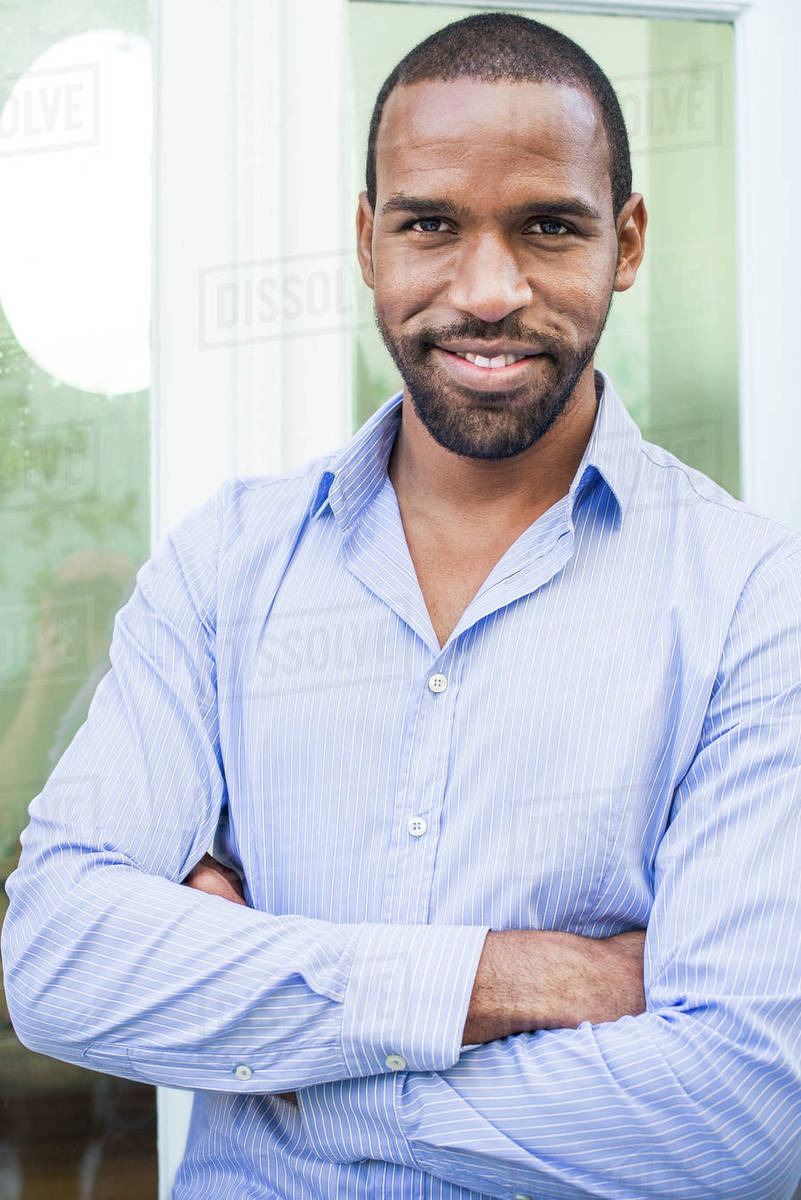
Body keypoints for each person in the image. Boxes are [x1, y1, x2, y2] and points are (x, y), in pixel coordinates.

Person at [4, 11, 801, 1199]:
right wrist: (510, 981)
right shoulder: (225, 565)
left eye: (548, 226)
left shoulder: (754, 600)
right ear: (368, 240)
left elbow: (740, 1112)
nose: (488, 293)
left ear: (626, 242)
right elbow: (61, 960)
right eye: (431, 223)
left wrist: (281, 1057)